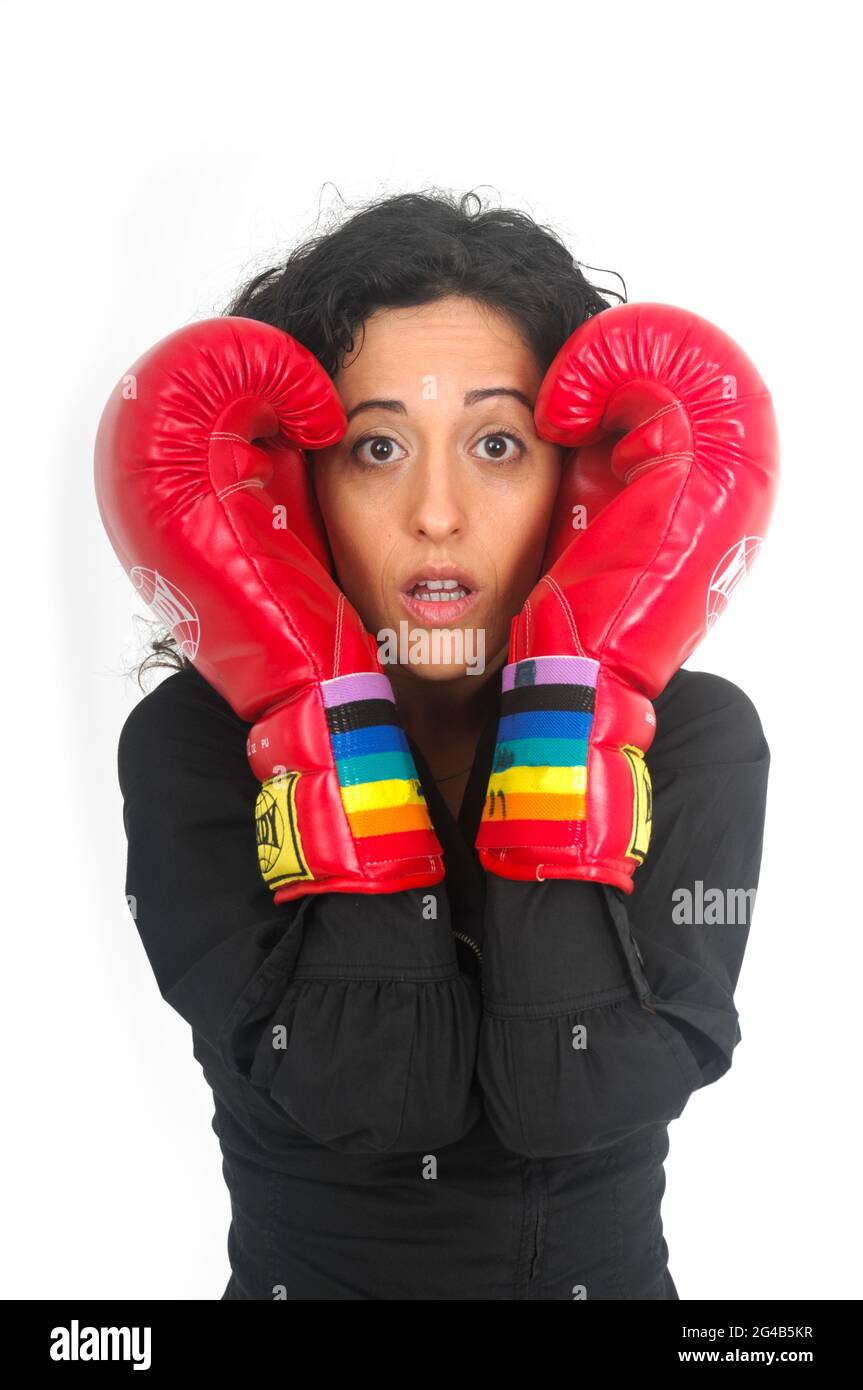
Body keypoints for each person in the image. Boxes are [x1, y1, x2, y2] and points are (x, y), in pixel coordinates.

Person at [100, 190, 777, 1300]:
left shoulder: (694, 737)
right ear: (288, 485)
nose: (435, 511)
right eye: (375, 446)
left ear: (585, 485)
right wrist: (321, 701)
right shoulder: (191, 748)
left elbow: (581, 1092)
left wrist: (575, 693)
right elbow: (377, 1088)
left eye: (498, 442)